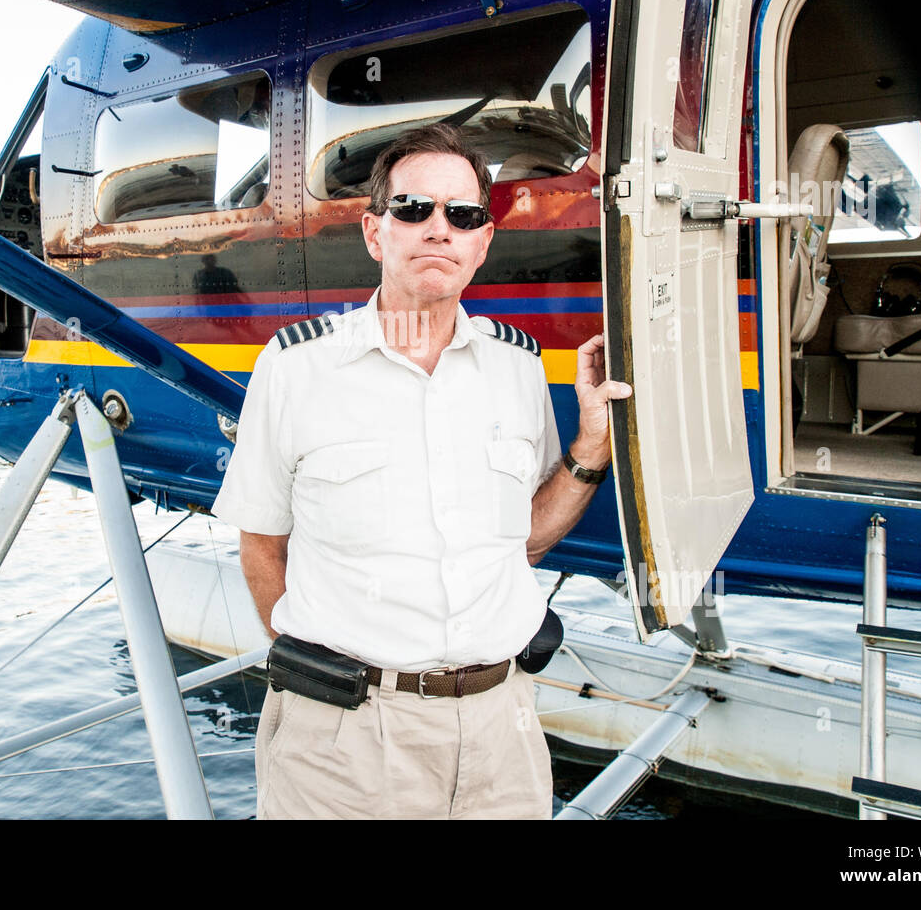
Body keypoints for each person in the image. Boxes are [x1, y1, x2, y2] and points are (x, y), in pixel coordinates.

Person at [211, 123, 631, 819]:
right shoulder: (296, 366)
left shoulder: (518, 367)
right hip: (345, 742)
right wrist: (317, 677)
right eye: (413, 209)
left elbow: (524, 539)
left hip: (501, 733)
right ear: (375, 233)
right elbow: (261, 543)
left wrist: (592, 445)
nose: (439, 228)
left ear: (482, 242)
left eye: (462, 215)